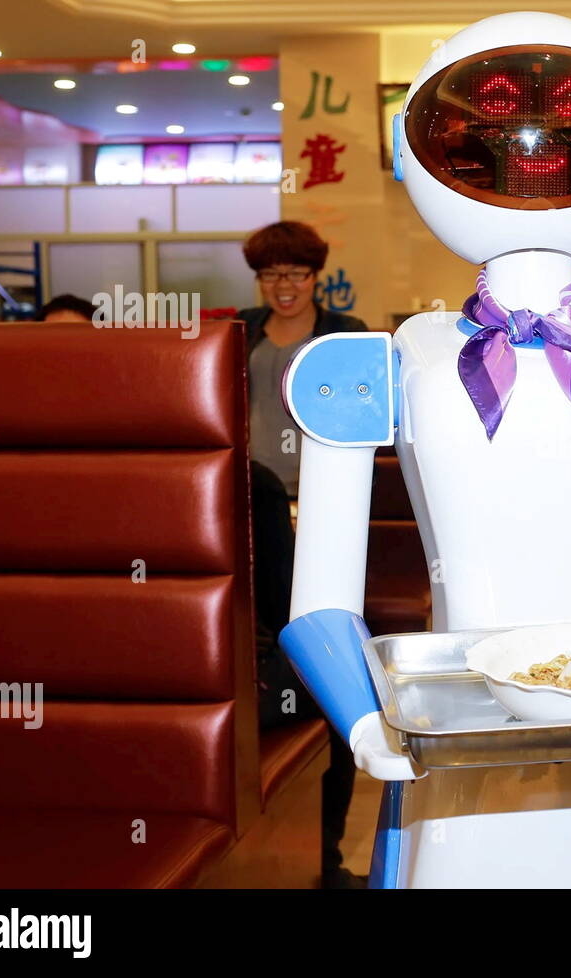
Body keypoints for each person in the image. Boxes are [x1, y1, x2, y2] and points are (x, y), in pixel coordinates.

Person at [236, 220, 369, 889]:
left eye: (295, 274)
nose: (283, 288)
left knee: (328, 679)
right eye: (270, 275)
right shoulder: (239, 333)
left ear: (316, 278)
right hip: (244, 521)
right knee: (251, 667)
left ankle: (328, 854)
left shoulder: (346, 337)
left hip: (322, 525)